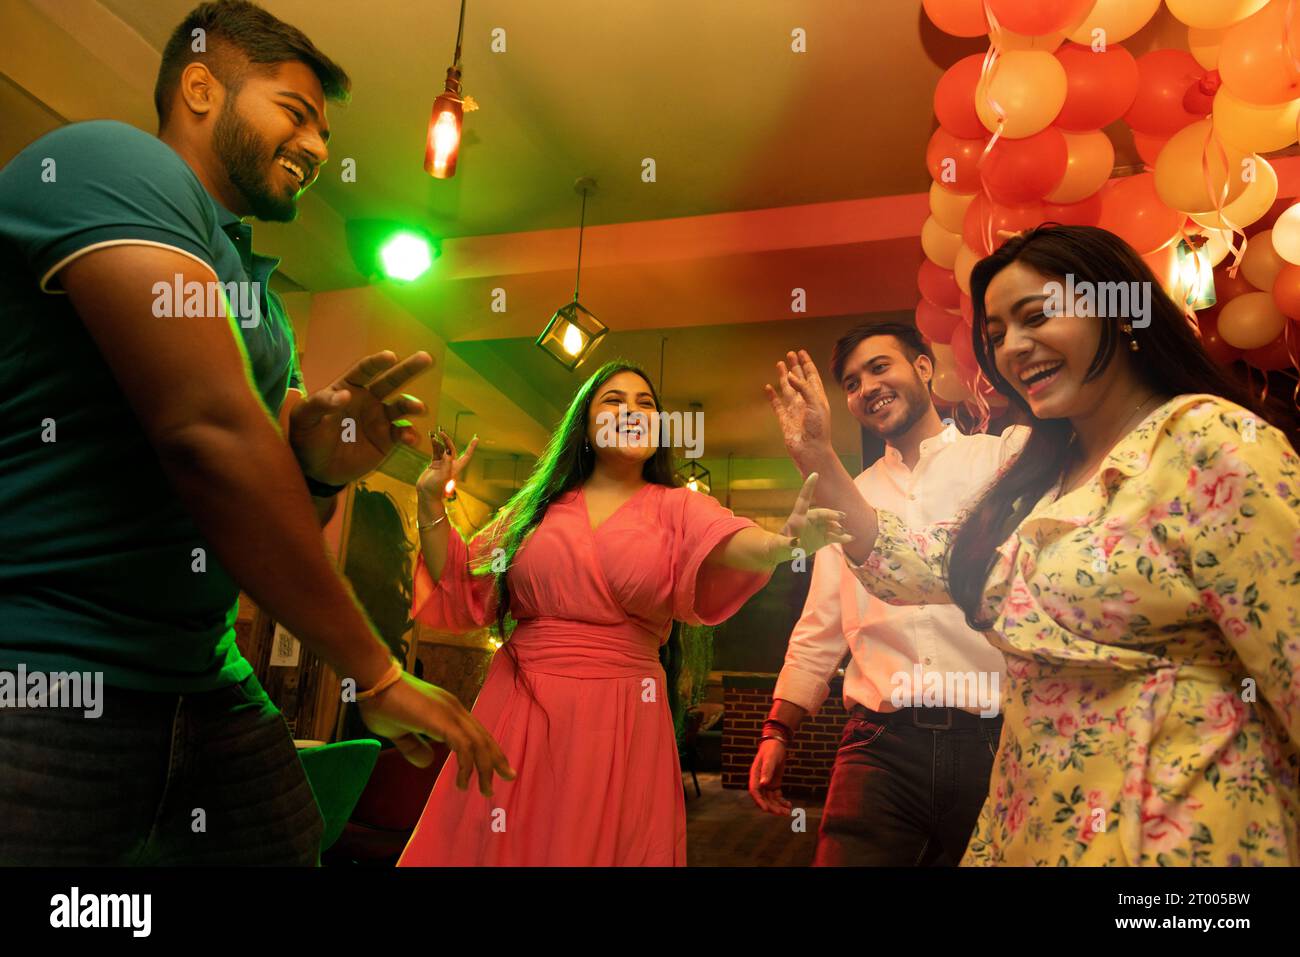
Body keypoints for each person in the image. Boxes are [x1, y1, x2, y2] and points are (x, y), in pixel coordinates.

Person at [0, 0, 509, 866]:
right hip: (47, 662)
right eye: (296, 113)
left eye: (324, 131)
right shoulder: (109, 160)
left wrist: (315, 467)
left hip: (204, 675)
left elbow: (263, 499)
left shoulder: (252, 294)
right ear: (200, 87)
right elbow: (208, 435)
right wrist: (373, 671)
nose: (318, 148)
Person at [769, 224, 1300, 866]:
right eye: (995, 336)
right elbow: (925, 565)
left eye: (1038, 315)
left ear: (1115, 308)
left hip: (1175, 842)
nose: (1014, 348)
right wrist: (818, 456)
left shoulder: (1207, 444)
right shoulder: (1040, 480)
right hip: (1028, 825)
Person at [398, 361, 850, 866]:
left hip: (621, 714)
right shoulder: (534, 510)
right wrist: (428, 498)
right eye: (613, 401)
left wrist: (785, 543)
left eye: (645, 405)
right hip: (517, 705)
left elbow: (738, 542)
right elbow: (462, 584)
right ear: (585, 426)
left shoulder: (677, 508)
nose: (631, 411)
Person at [750, 322, 1027, 866]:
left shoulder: (1000, 460)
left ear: (924, 368)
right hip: (880, 744)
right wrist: (778, 729)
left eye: (880, 367)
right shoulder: (849, 495)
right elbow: (820, 626)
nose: (866, 387)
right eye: (851, 384)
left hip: (997, 741)